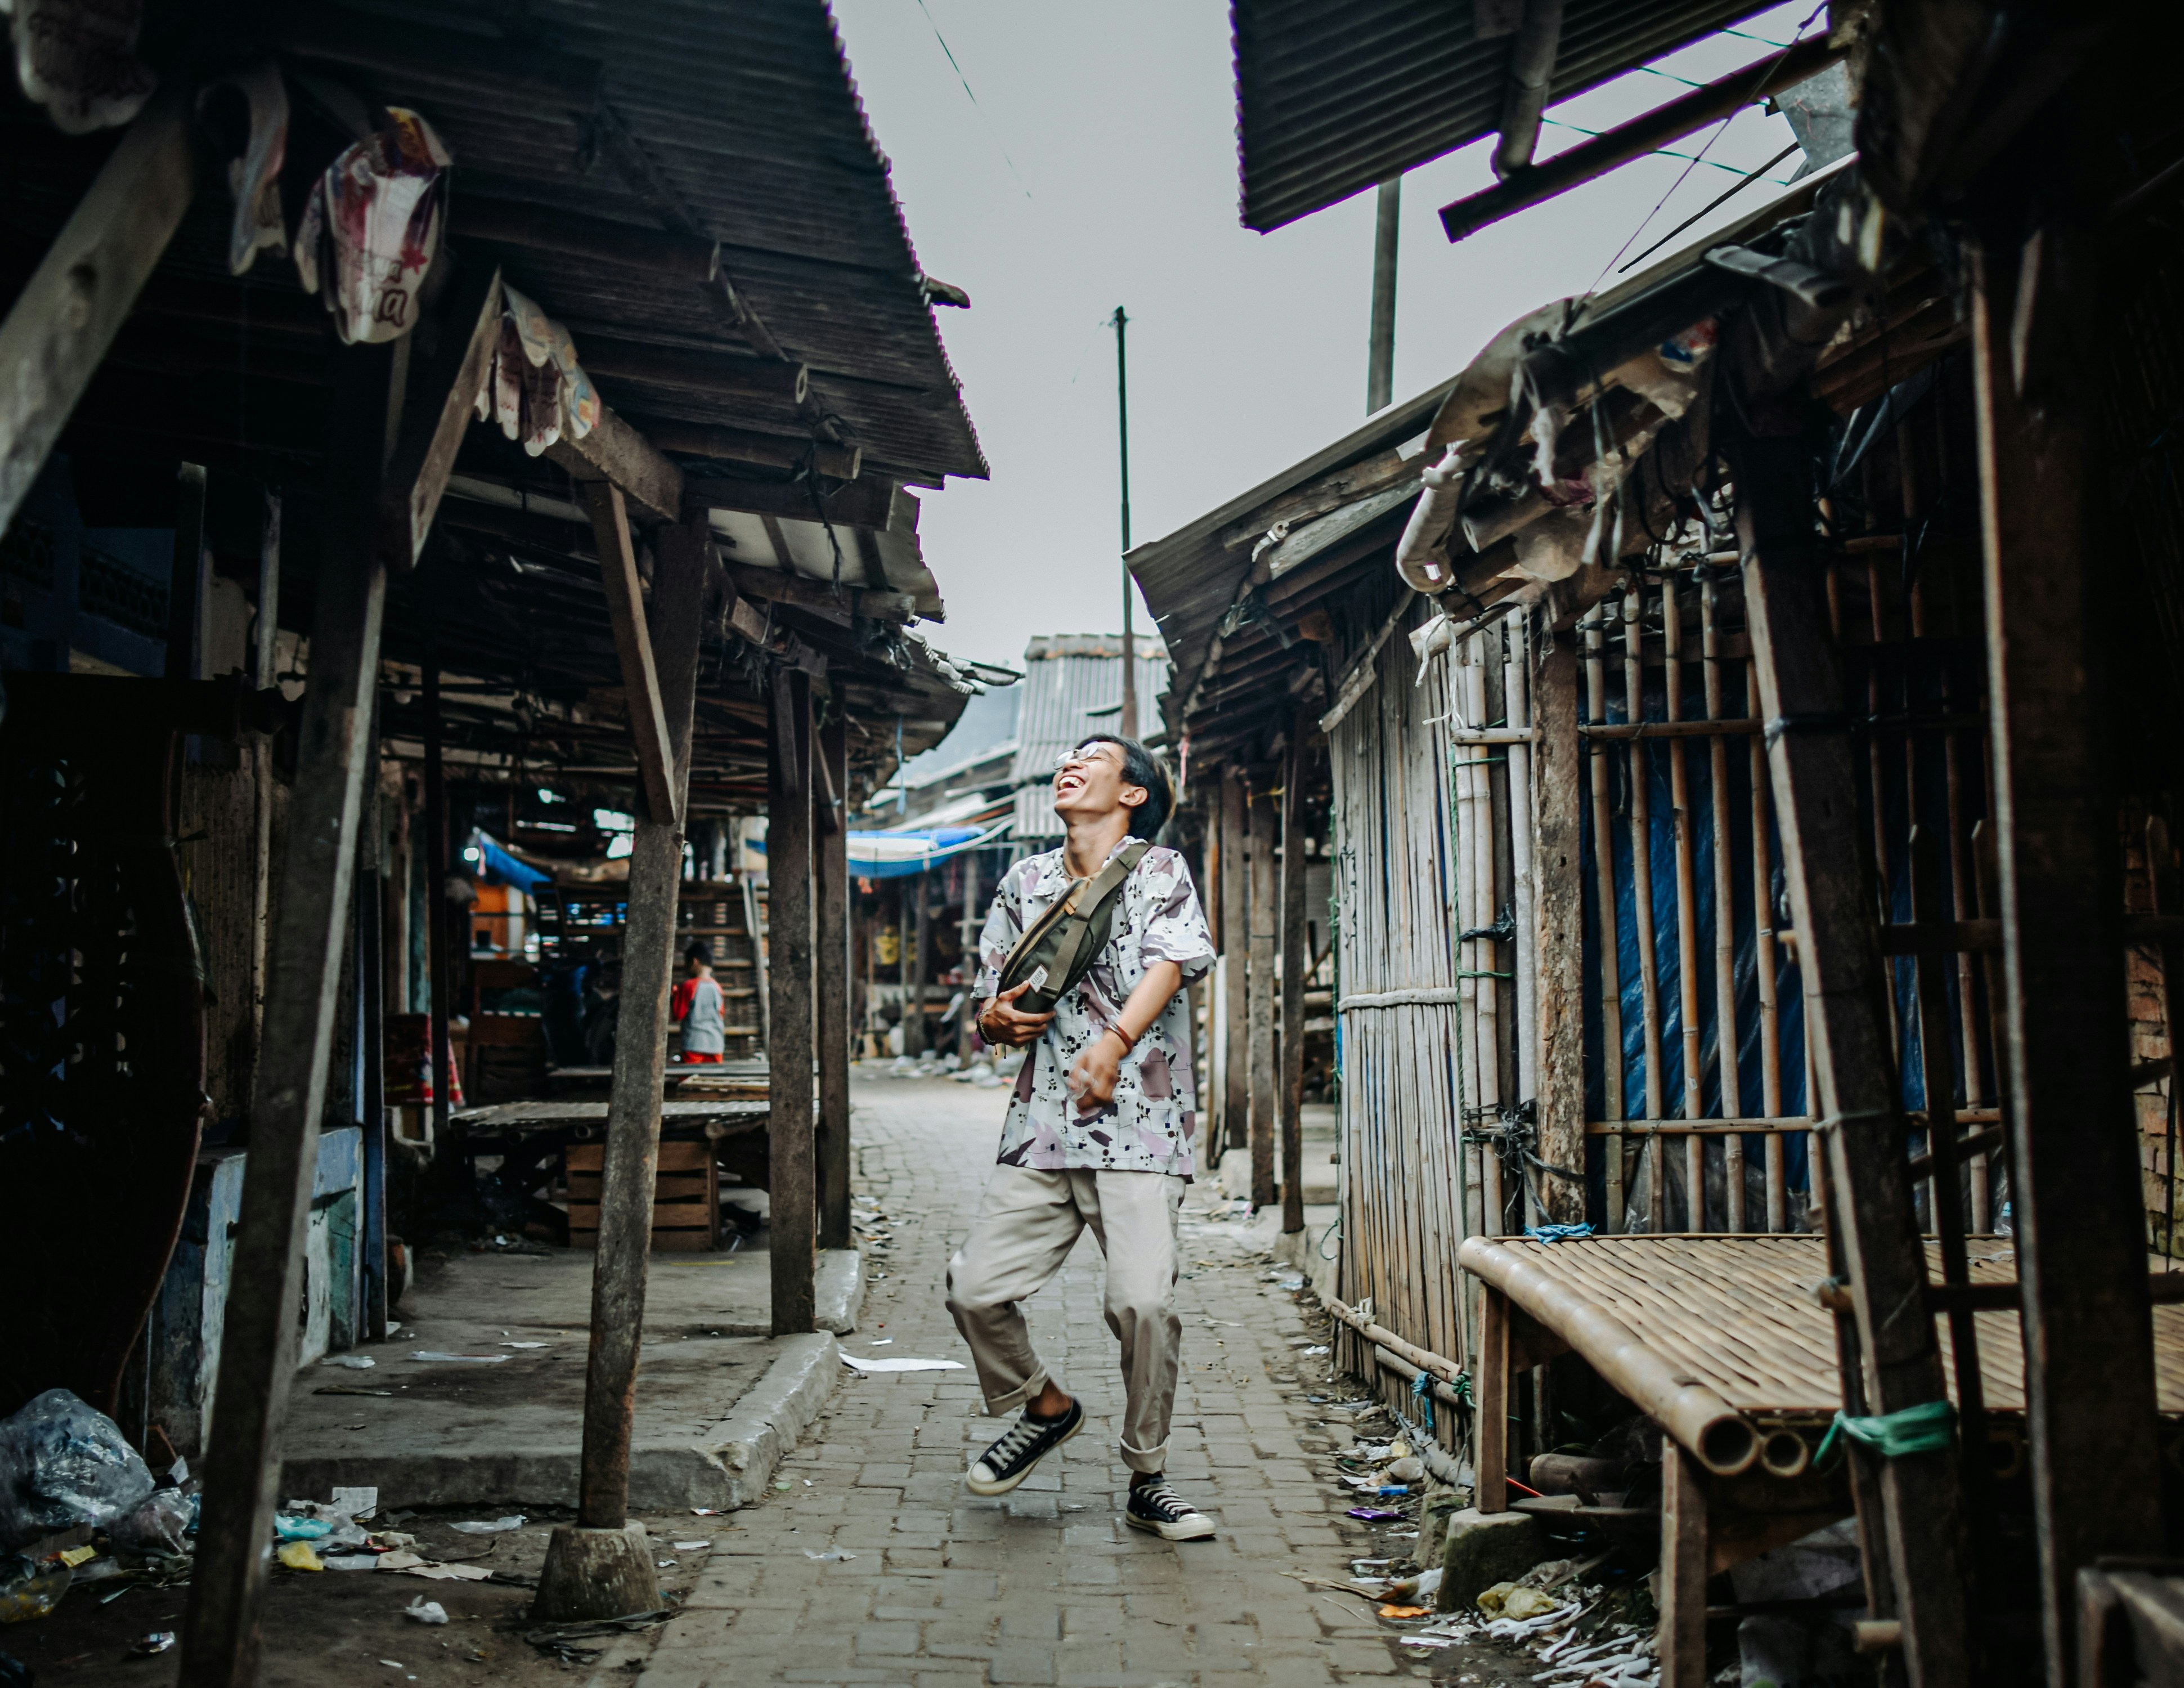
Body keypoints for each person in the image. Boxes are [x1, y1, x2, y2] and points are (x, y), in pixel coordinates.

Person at [946, 733, 1217, 1541]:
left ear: (1133, 793)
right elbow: (991, 1002)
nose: (1074, 762)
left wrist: (1114, 1042)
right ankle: (1046, 1404)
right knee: (973, 1288)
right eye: (1071, 754)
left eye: (1096, 757)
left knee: (1142, 1302)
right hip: (1042, 1130)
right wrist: (991, 1016)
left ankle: (1148, 1474)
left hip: (1139, 1126)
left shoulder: (1158, 868)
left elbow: (1175, 960)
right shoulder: (1023, 881)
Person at [671, 943, 726, 1064]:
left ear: (694, 961)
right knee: (713, 1081)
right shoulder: (717, 988)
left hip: (694, 1045)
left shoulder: (689, 986)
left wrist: (675, 996)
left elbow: (678, 1014)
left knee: (689, 1081)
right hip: (716, 1045)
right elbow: (721, 1014)